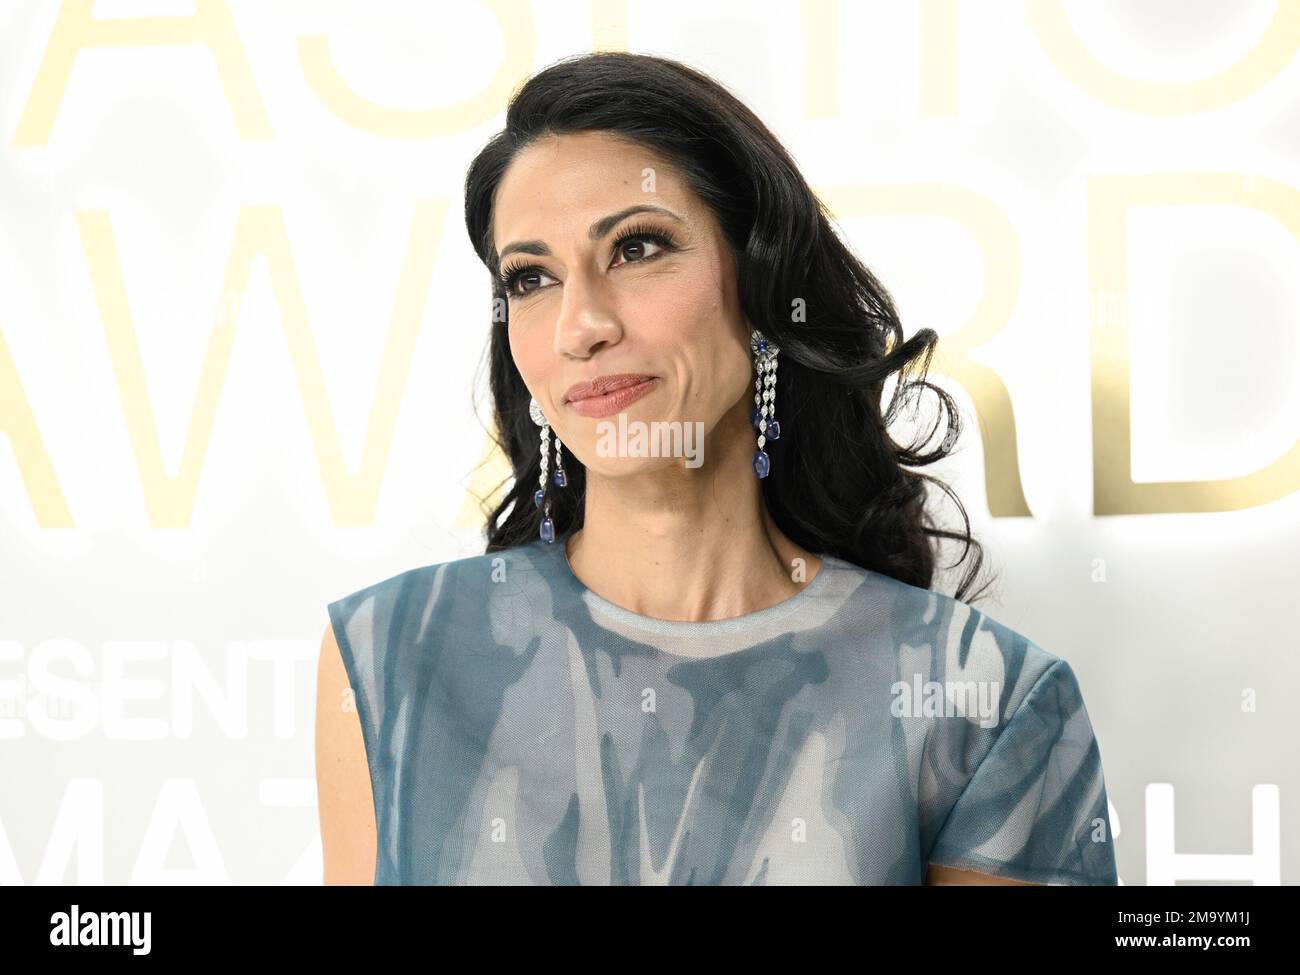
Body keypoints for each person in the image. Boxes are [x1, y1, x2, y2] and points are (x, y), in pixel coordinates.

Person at [315, 51, 1118, 886]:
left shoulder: (980, 698)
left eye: (637, 247)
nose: (579, 324)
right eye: (531, 278)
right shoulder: (392, 659)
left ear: (764, 282)